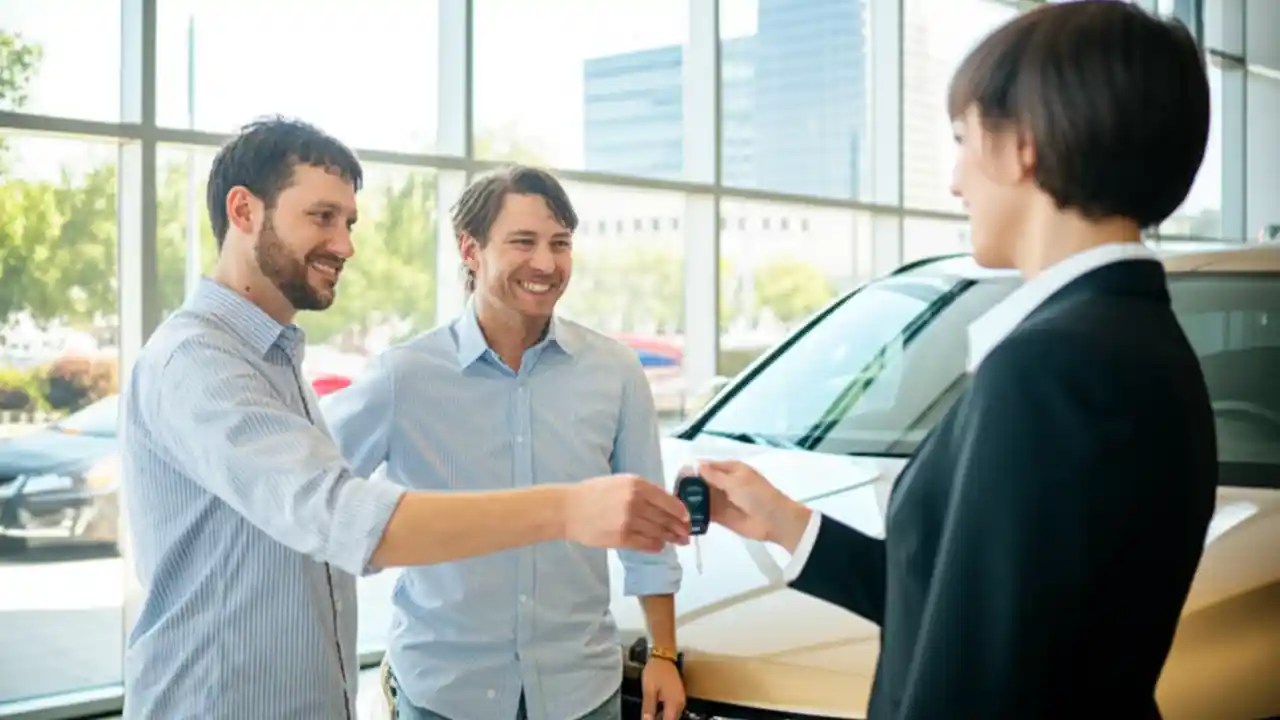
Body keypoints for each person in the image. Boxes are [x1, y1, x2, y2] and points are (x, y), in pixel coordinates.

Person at [698, 3, 1217, 719]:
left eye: (962, 138)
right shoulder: (1135, 342)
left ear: (1022, 145)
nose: (954, 180)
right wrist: (787, 522)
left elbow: (974, 679)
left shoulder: (1048, 370)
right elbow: (965, 610)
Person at [119, 119, 691, 719]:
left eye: (348, 223)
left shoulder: (275, 359)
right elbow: (343, 514)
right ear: (244, 211)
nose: (345, 245)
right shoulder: (202, 362)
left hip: (571, 687)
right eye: (322, 218)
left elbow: (309, 518)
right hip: (267, 701)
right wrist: (571, 508)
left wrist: (664, 650)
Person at [323, 165, 687, 720]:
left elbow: (648, 530)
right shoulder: (404, 377)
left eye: (559, 244)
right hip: (444, 694)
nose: (546, 263)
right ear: (470, 250)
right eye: (524, 242)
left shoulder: (614, 372)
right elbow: (312, 498)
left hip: (581, 692)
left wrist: (663, 653)